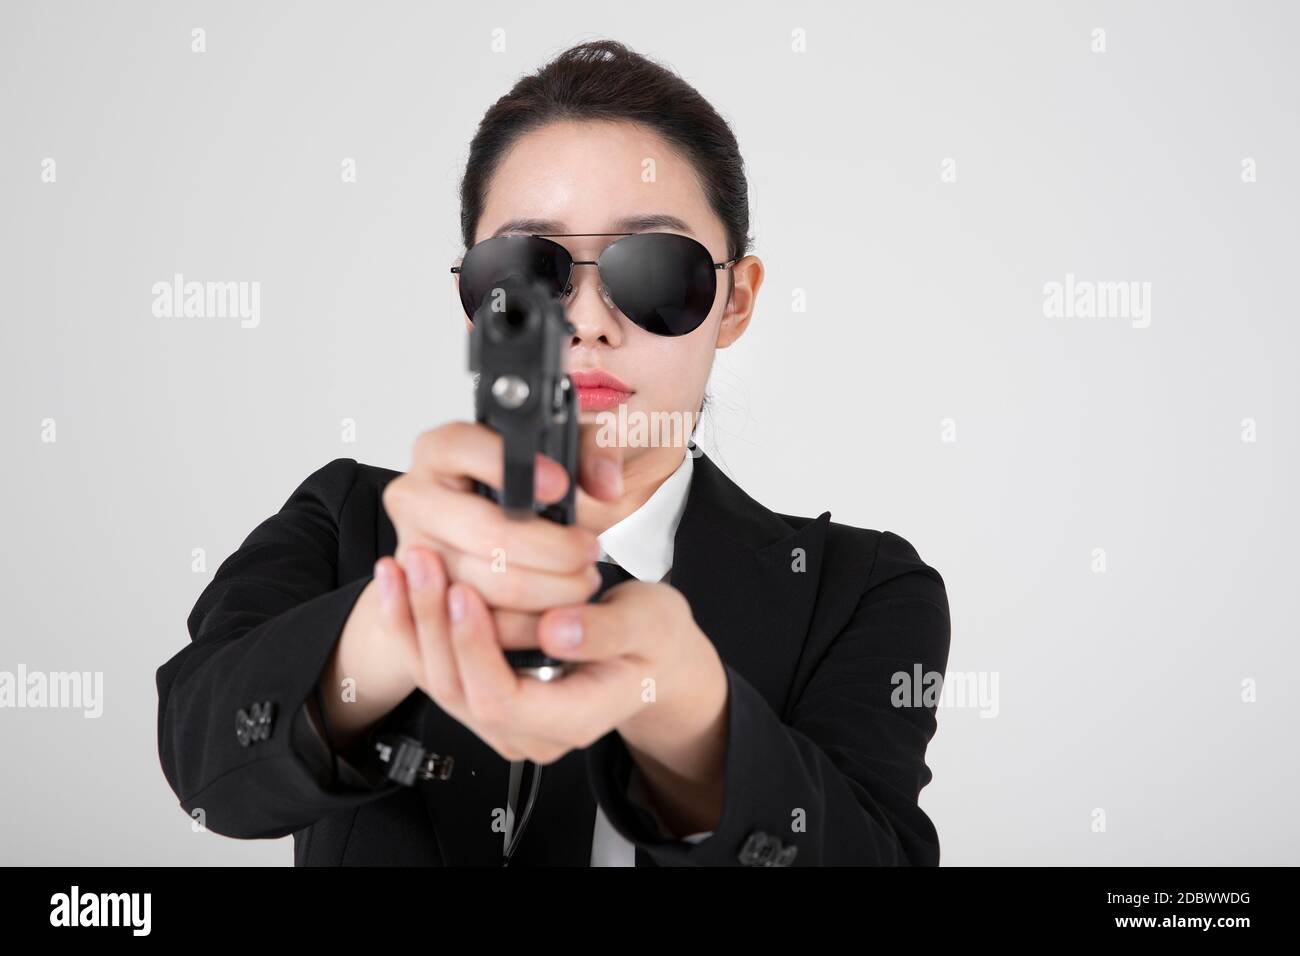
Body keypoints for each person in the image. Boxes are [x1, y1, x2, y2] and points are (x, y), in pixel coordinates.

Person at [155, 39, 951, 867]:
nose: (587, 320)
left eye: (653, 269)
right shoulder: (348, 521)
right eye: (530, 272)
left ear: (735, 301)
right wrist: (396, 626)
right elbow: (207, 761)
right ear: (475, 304)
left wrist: (693, 724)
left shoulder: (859, 590)